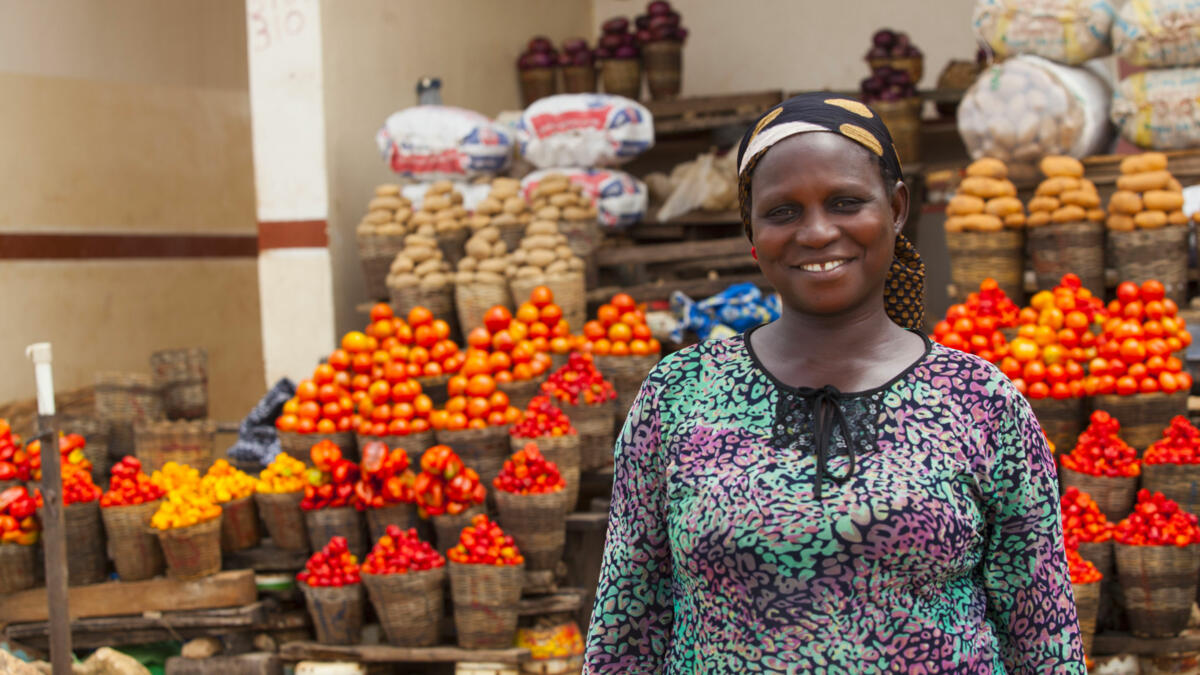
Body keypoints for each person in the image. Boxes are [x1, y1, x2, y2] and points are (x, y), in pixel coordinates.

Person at [582, 93, 1084, 673]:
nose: (818, 232)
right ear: (753, 231)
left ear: (897, 208)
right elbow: (627, 629)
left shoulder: (978, 399)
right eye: (783, 212)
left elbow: (1044, 634)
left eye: (846, 202)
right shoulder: (679, 394)